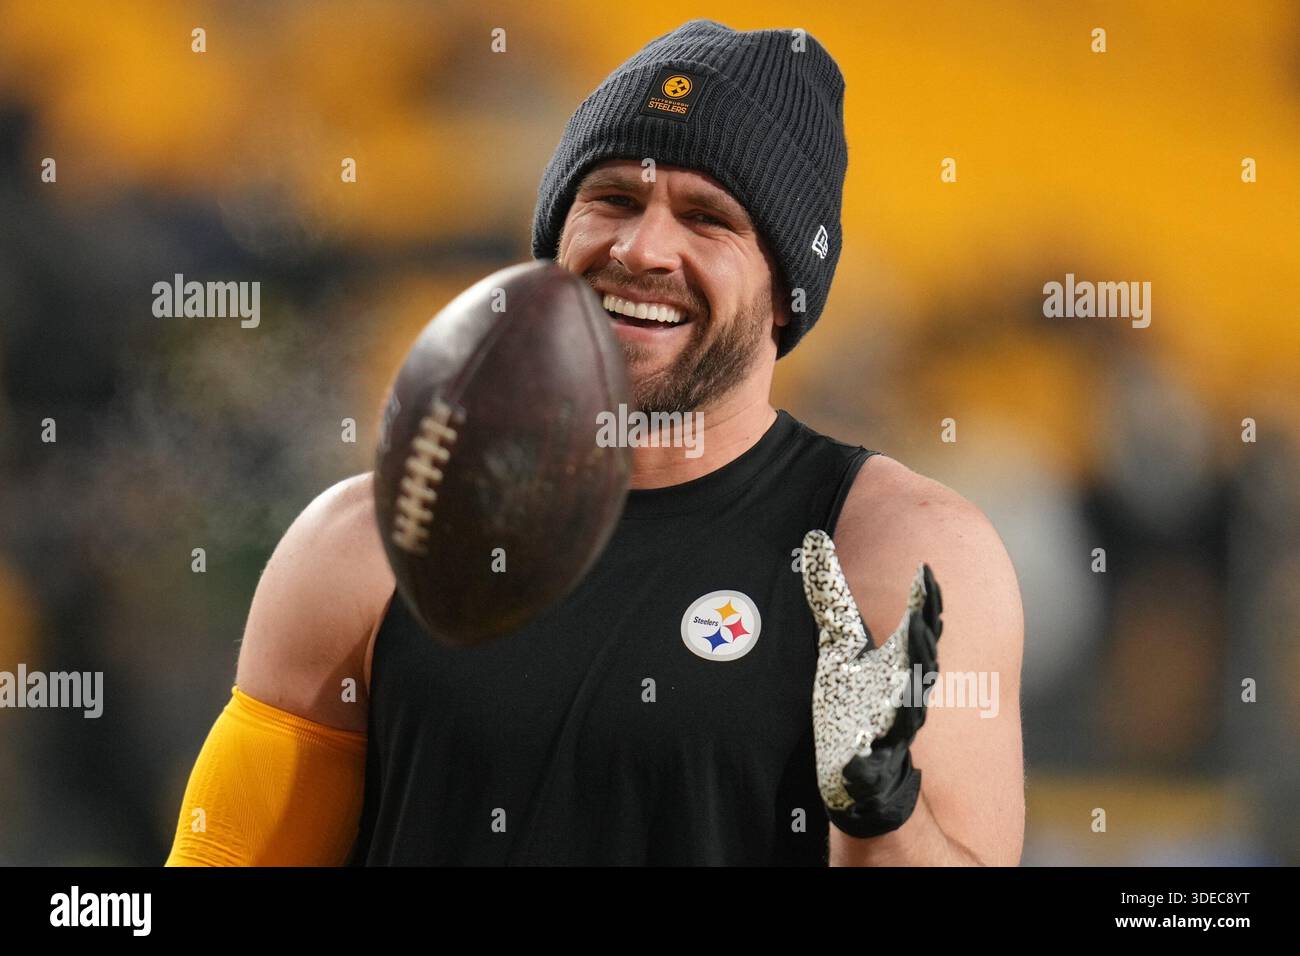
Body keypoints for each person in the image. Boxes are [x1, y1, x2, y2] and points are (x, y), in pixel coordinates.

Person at [166, 19, 1023, 867]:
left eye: (707, 217)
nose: (642, 247)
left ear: (788, 293)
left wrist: (881, 810)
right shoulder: (369, 542)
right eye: (613, 197)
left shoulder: (897, 554)